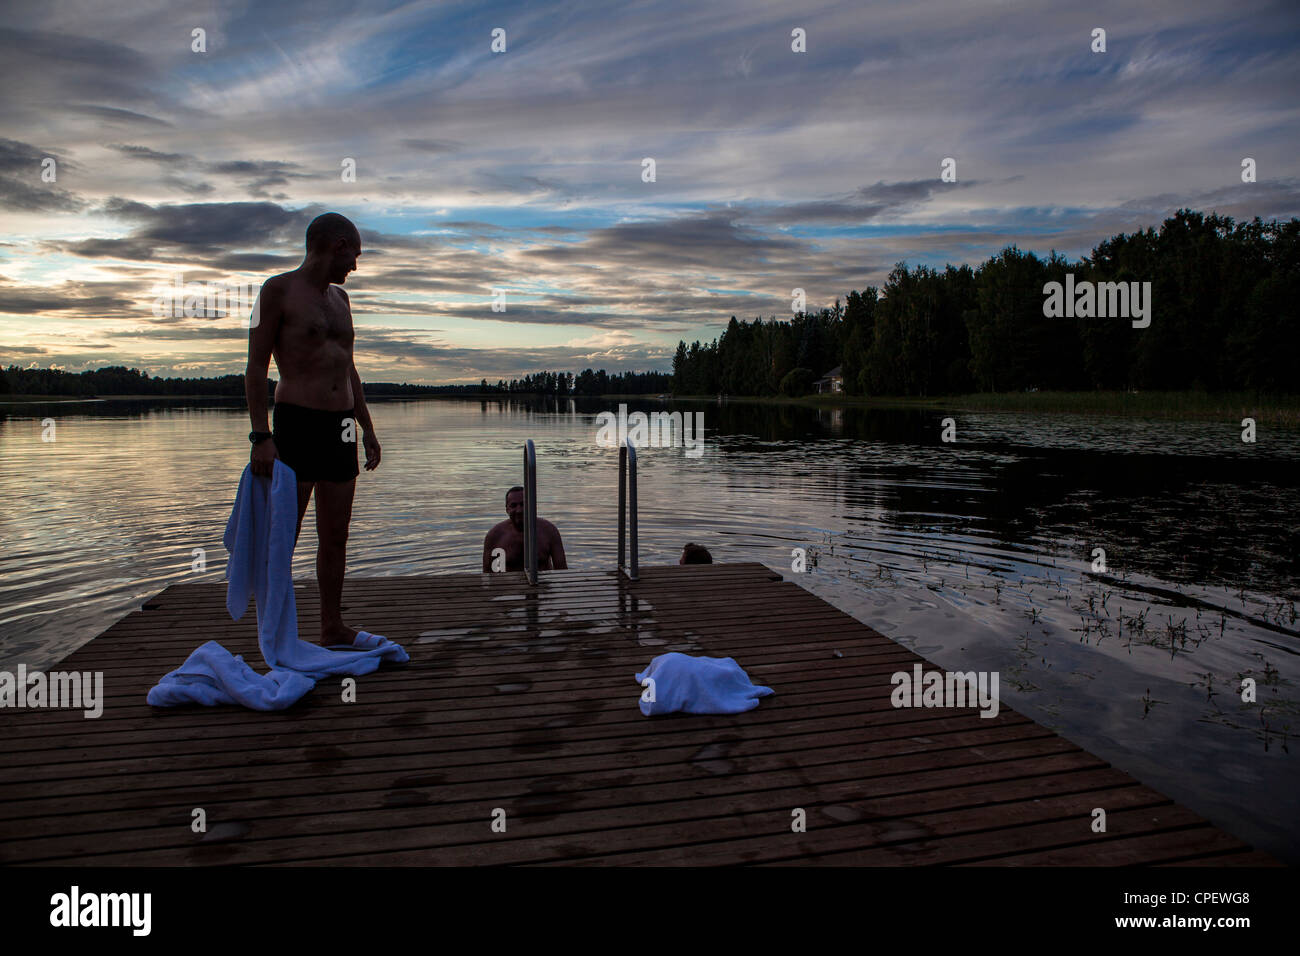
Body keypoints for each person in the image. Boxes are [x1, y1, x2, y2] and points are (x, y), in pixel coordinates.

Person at [245, 212, 381, 647]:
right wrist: (261, 436)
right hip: (297, 421)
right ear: (337, 245)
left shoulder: (341, 300)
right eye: (354, 256)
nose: (354, 268)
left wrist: (367, 428)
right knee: (284, 534)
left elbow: (349, 368)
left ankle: (330, 625)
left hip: (340, 426)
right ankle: (275, 630)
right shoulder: (277, 291)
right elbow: (254, 368)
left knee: (336, 536)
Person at [482, 486, 568, 572]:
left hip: (541, 583)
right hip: (509, 584)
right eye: (513, 505)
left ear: (532, 506)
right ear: (507, 509)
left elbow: (562, 570)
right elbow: (489, 574)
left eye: (523, 504)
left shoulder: (549, 531)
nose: (519, 510)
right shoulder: (495, 536)